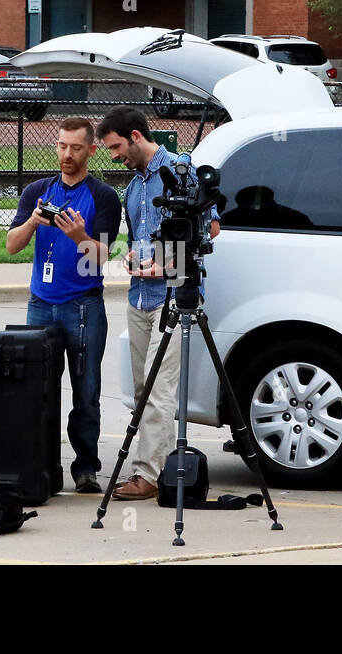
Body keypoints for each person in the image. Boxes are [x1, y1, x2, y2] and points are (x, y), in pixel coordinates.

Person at [95, 105, 220, 501]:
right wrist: (133, 259)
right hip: (139, 296)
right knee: (140, 389)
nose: (113, 156)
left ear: (134, 136)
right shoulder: (132, 188)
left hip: (173, 297)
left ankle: (147, 474)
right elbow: (137, 242)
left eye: (115, 147)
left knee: (158, 389)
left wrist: (170, 263)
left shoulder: (181, 171)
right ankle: (162, 469)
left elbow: (212, 226)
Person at [6, 117, 122, 494]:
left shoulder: (103, 196)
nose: (66, 155)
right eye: (61, 146)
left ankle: (86, 466)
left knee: (85, 390)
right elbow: (11, 245)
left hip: (83, 305)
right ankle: (40, 463)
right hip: (41, 302)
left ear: (91, 150)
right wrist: (34, 223)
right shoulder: (38, 191)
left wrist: (79, 236)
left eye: (75, 148)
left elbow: (100, 258)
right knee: (36, 388)